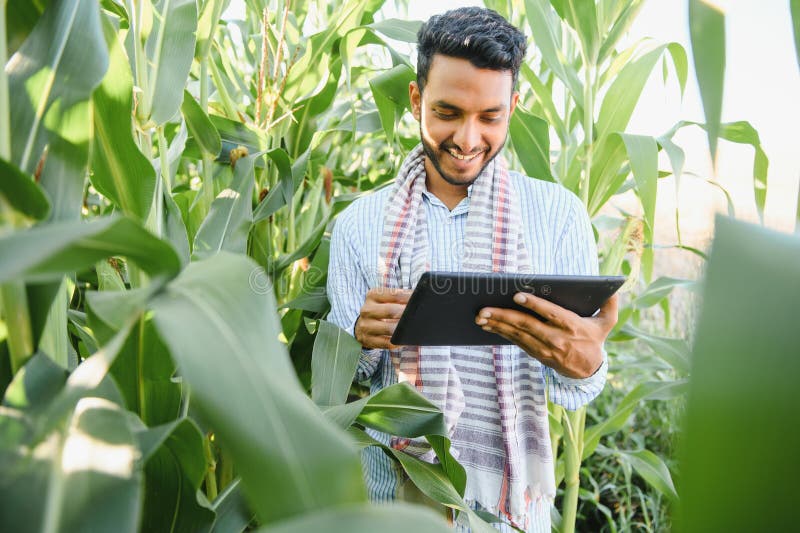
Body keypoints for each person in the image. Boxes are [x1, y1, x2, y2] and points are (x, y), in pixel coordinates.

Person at [327, 7, 618, 532]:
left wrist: (586, 363)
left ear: (513, 107)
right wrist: (357, 342)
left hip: (508, 511)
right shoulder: (358, 226)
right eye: (447, 111)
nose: (466, 139)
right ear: (416, 100)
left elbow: (578, 387)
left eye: (490, 116)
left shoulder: (558, 216)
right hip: (391, 497)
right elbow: (345, 385)